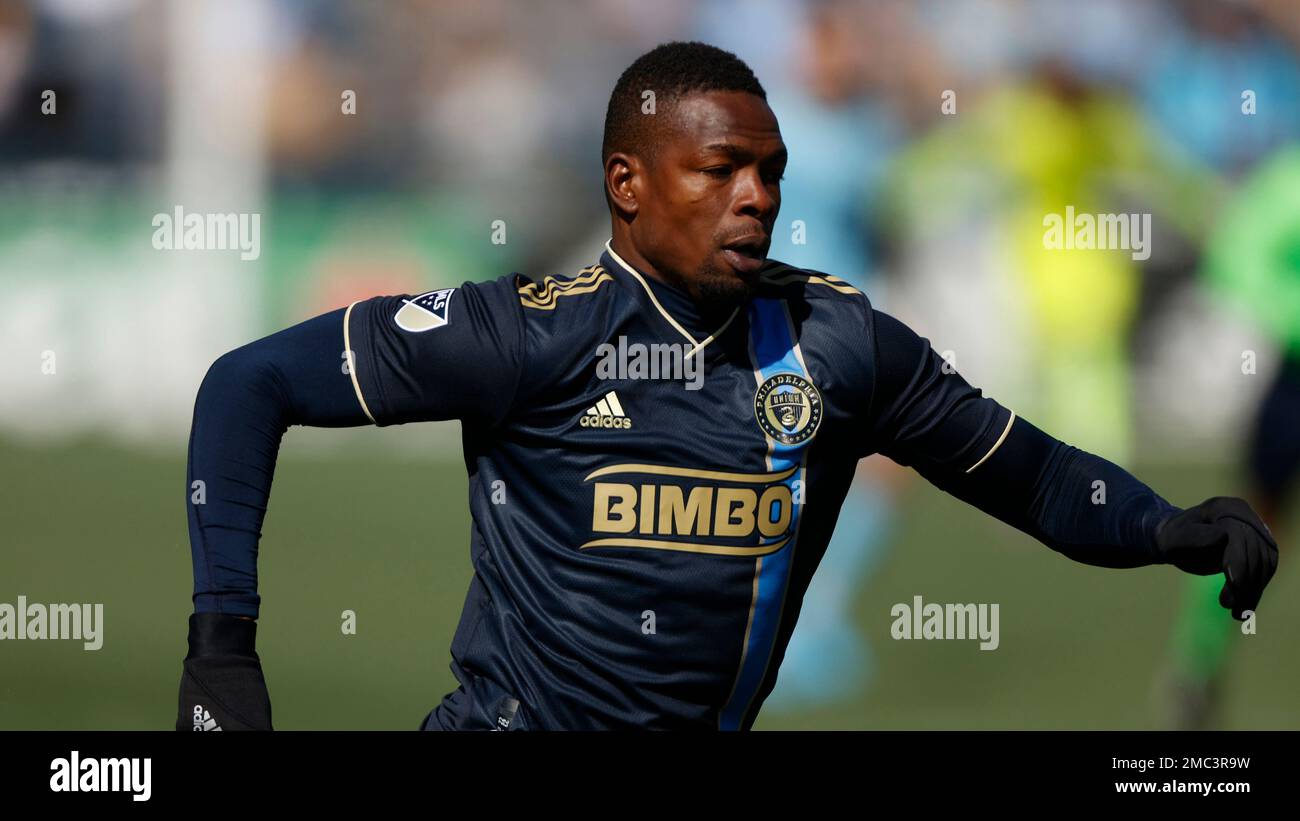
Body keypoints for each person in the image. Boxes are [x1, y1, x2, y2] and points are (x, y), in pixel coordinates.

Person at [177, 42, 1278, 731]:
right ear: (627, 182)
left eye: (769, 171)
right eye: (719, 171)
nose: (755, 196)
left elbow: (1030, 477)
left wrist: (1165, 524)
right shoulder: (523, 335)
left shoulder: (839, 344)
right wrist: (222, 650)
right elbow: (246, 383)